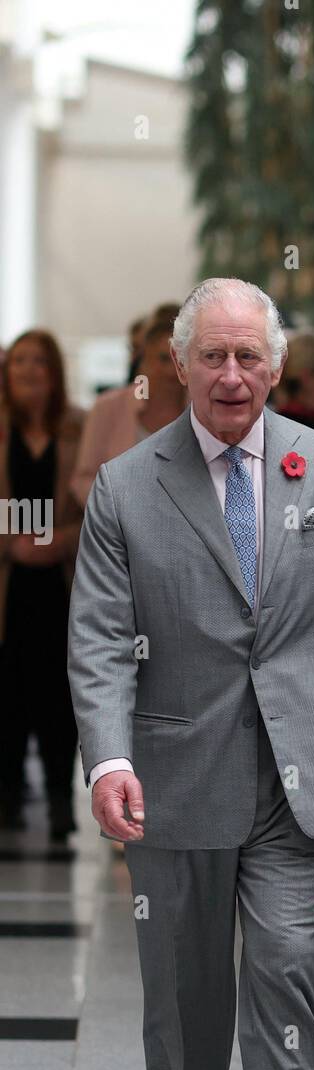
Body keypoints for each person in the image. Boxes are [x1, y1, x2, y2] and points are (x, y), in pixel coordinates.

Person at [67, 277, 314, 1070]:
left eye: (251, 356)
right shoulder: (127, 485)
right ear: (179, 363)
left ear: (278, 366)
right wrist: (110, 757)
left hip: (303, 775)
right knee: (186, 986)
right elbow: (100, 640)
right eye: (214, 355)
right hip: (173, 775)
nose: (233, 374)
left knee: (288, 967)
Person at [0, 330, 84, 837]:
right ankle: (6, 798)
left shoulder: (80, 426)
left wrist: (62, 539)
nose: (30, 371)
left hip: (63, 582)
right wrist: (12, 543)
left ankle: (60, 800)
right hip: (9, 585)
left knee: (60, 698)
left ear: (55, 372)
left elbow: (98, 501)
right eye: (21, 361)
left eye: (40, 362)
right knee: (7, 696)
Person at [70, 311, 186, 509]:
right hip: (118, 531)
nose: (172, 370)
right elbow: (83, 479)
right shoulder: (108, 407)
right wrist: (118, 513)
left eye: (181, 360)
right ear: (144, 359)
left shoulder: (203, 409)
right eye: (163, 359)